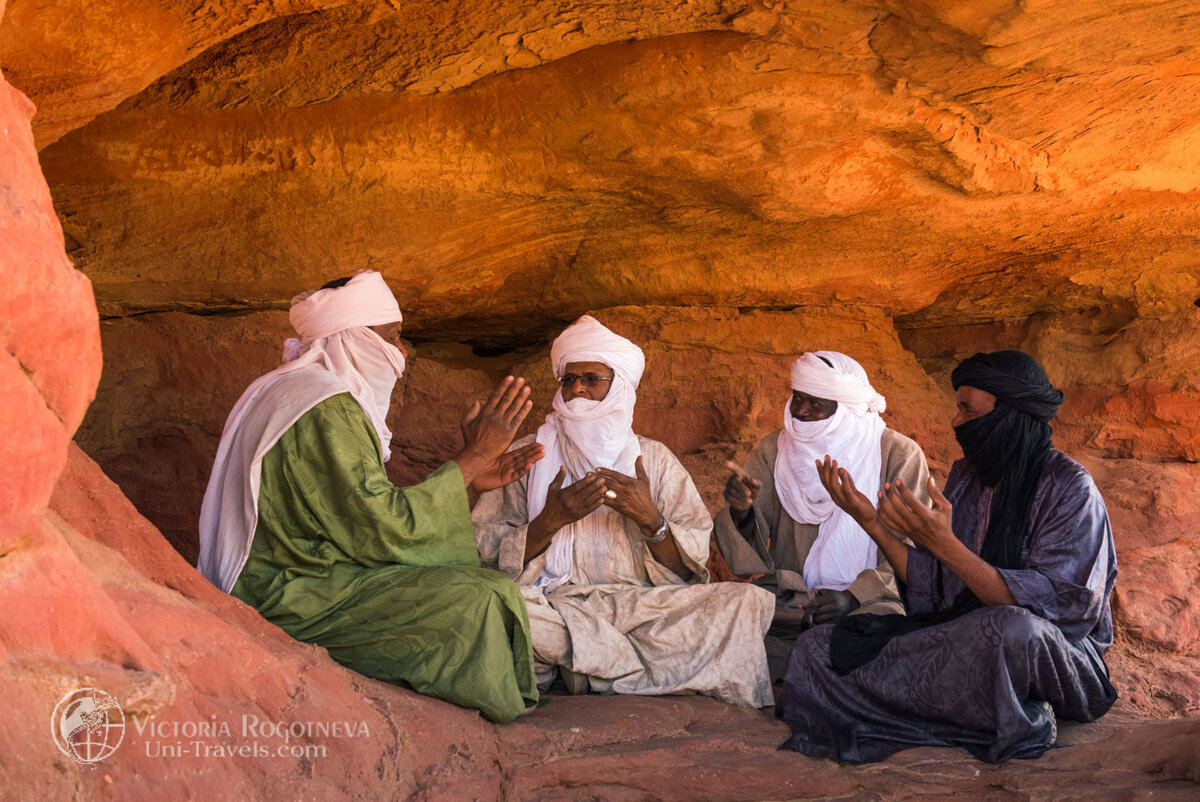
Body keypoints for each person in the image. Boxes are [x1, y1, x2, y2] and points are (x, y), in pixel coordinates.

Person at [198, 271, 543, 723]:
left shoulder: (288, 388)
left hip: (304, 577)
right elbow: (381, 528)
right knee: (482, 599)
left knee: (487, 593)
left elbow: (352, 512)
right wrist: (475, 454)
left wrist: (469, 480)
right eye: (392, 337)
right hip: (293, 595)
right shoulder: (325, 405)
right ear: (354, 338)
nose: (401, 354)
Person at [776, 350, 1118, 763]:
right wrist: (868, 518)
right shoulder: (967, 477)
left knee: (1012, 630)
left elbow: (1062, 613)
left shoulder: (1071, 489)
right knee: (817, 649)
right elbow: (933, 591)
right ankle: (986, 718)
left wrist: (945, 545)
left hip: (1052, 655)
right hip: (963, 638)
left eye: (966, 410)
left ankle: (998, 715)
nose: (957, 422)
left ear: (1007, 412)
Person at [473, 315, 776, 707]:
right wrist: (550, 521)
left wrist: (650, 520)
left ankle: (589, 669)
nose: (577, 387)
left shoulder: (654, 459)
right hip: (553, 606)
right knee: (493, 604)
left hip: (643, 610)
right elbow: (484, 550)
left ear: (620, 388)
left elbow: (692, 567)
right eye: (569, 379)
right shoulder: (532, 454)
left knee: (743, 603)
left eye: (591, 379)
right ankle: (624, 668)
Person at [713, 351, 930, 681]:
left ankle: (810, 662)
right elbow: (750, 558)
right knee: (717, 613)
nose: (800, 411)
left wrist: (854, 596)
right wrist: (742, 512)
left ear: (845, 407)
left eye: (817, 404)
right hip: (789, 602)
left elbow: (913, 553)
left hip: (870, 604)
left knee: (883, 637)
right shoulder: (774, 449)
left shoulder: (897, 454)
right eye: (798, 398)